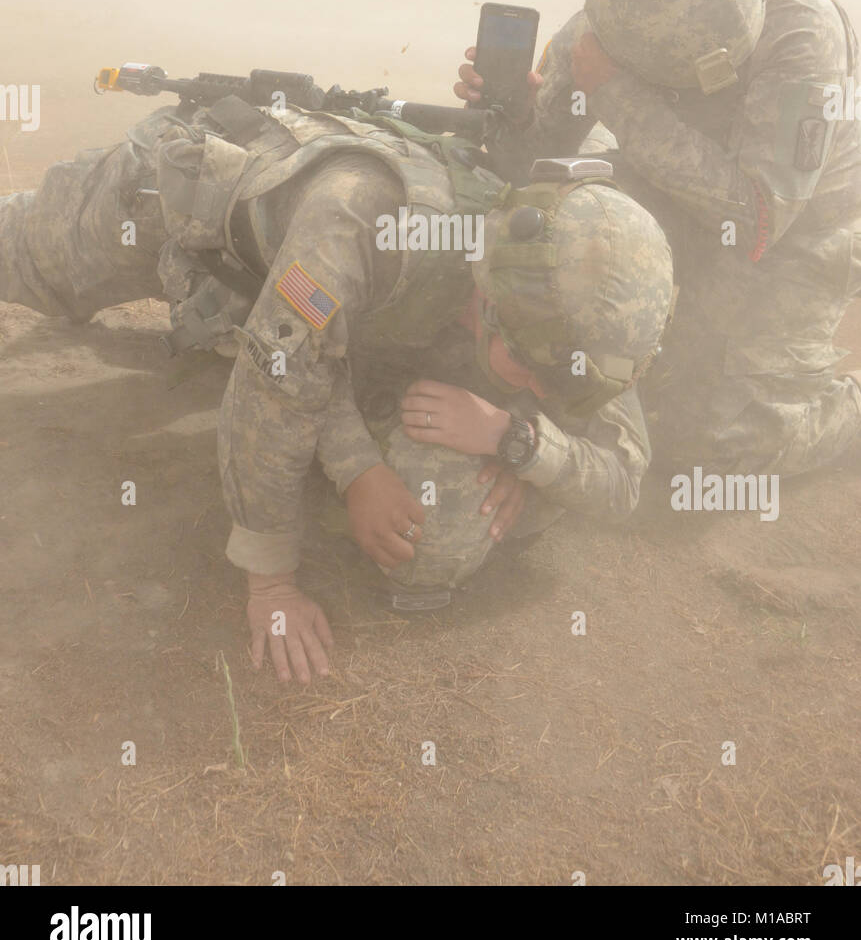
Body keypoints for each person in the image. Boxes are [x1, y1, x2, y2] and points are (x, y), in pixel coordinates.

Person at [0, 90, 673, 683]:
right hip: (173, 204)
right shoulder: (356, 224)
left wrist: (519, 443)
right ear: (487, 298)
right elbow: (282, 380)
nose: (534, 386)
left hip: (311, 289)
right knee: (33, 263)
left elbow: (620, 479)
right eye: (524, 367)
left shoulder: (584, 301)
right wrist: (278, 579)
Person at [455, 0, 861, 481]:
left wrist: (615, 92)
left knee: (716, 452)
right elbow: (536, 159)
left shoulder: (803, 34)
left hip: (797, 237)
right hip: (670, 195)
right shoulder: (618, 20)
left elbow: (755, 220)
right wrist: (516, 109)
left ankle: (847, 409)